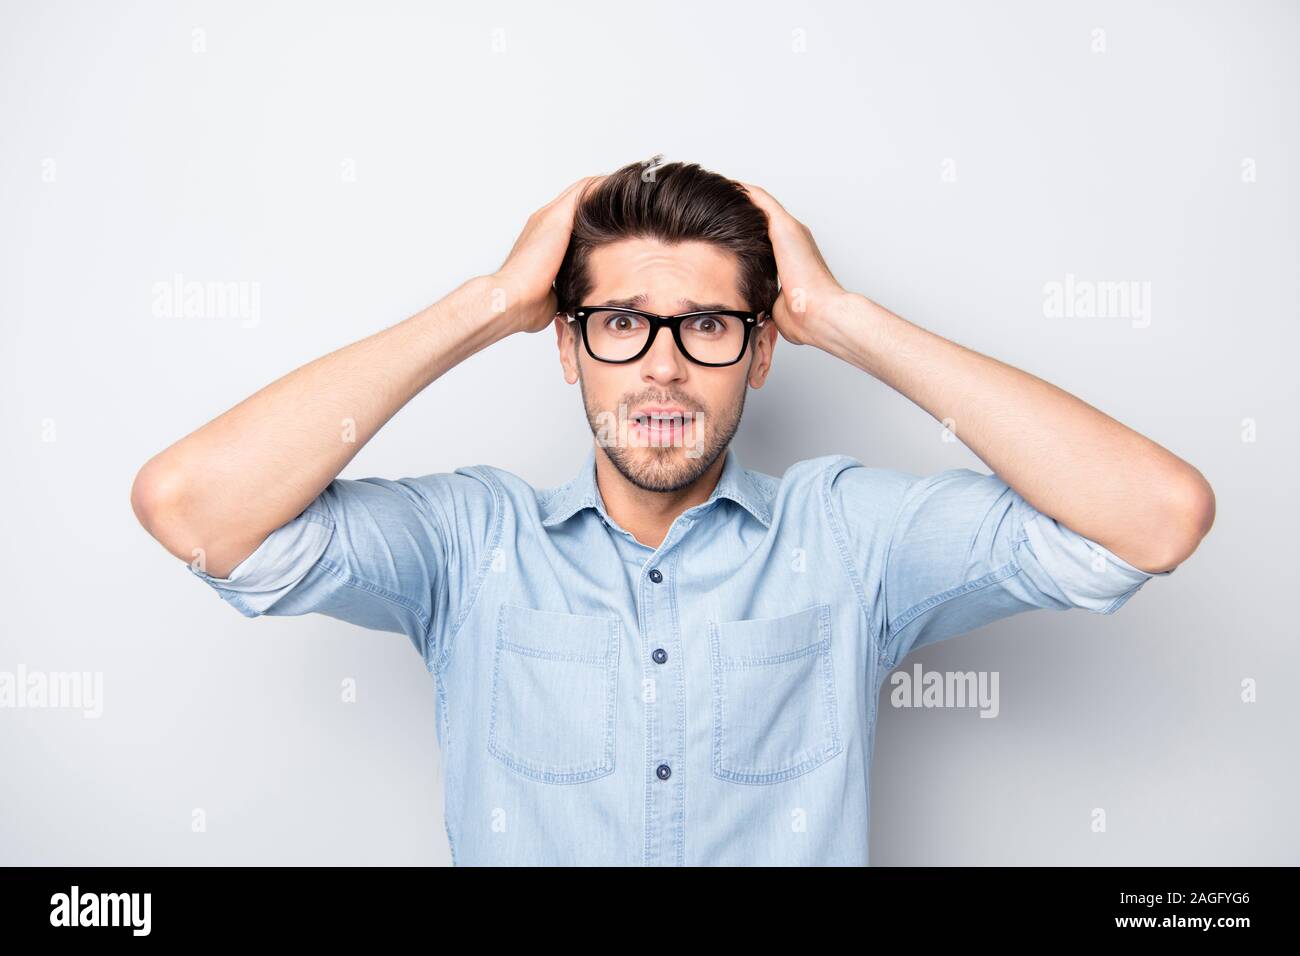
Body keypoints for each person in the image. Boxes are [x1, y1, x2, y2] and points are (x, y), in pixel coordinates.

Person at [130, 158, 1215, 866]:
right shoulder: (470, 544)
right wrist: (487, 305)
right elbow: (194, 509)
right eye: (618, 325)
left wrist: (844, 316)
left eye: (706, 327)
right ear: (565, 346)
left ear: (760, 349)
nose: (661, 369)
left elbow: (1155, 516)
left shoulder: (848, 538)